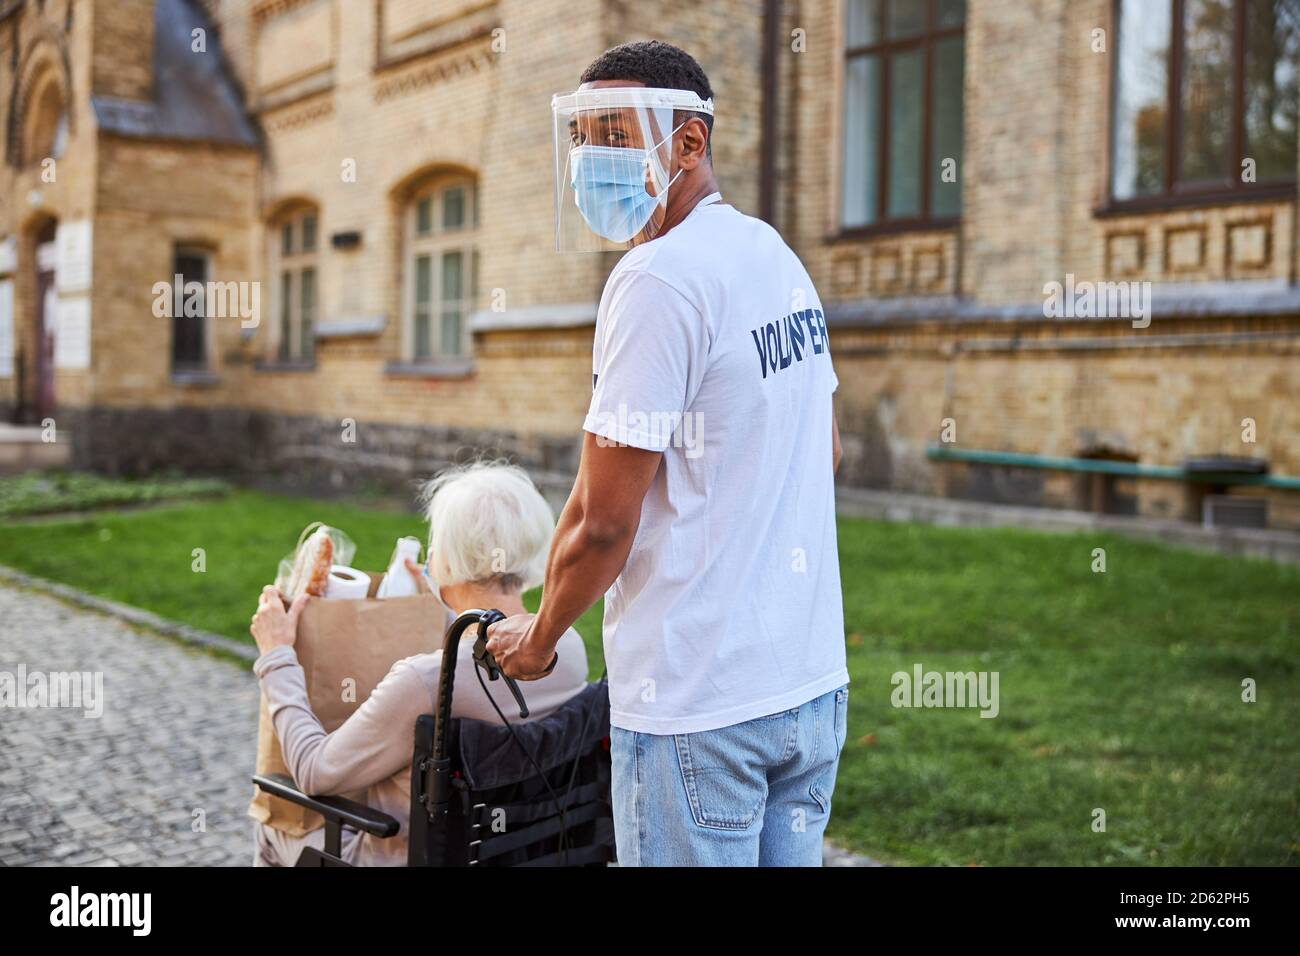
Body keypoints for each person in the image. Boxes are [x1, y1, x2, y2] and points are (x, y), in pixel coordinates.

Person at [485, 40, 849, 866]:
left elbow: (605, 525)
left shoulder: (657, 279)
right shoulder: (773, 254)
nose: (590, 160)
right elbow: (823, 449)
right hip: (809, 690)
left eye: (613, 134)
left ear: (689, 143)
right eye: (581, 137)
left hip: (698, 710)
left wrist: (539, 639)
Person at [248, 462, 589, 866]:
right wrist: (437, 601)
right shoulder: (567, 647)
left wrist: (276, 655)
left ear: (445, 557)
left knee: (271, 827)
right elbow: (481, 666)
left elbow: (314, 772)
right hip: (517, 853)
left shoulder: (425, 682)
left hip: (400, 856)